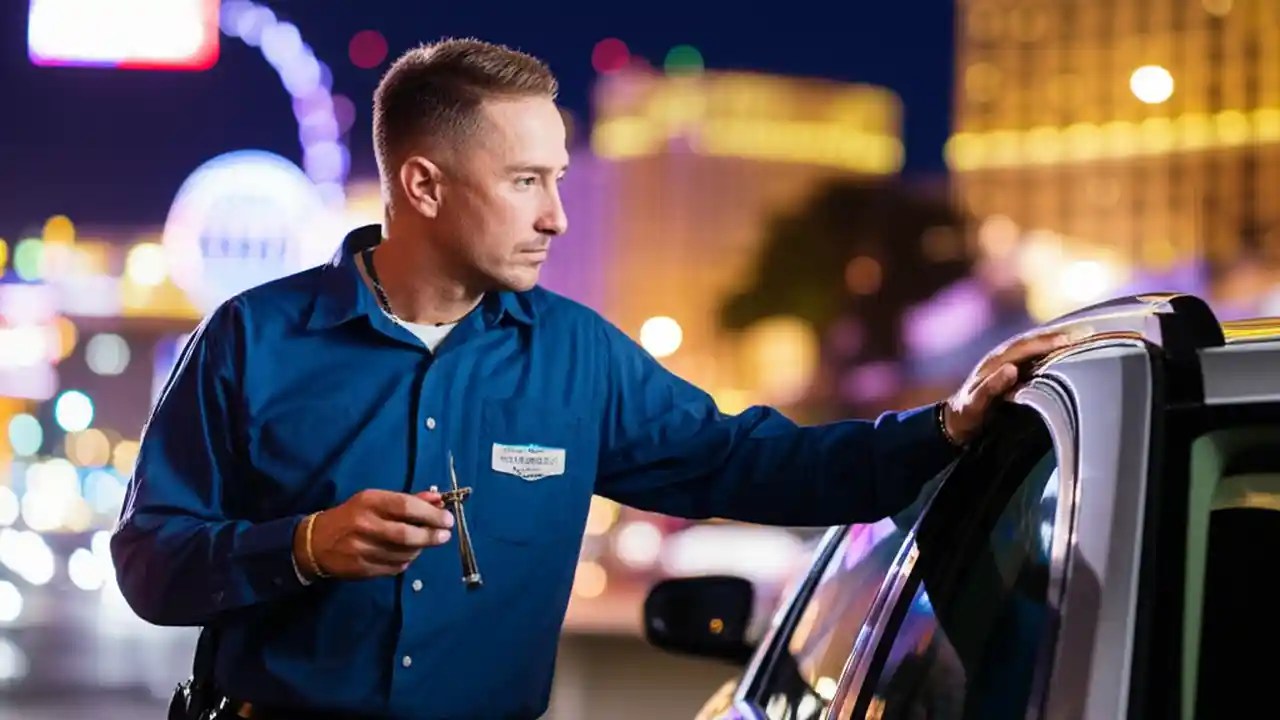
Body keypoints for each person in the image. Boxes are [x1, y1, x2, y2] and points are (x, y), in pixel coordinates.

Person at [111, 37, 1068, 720]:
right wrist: (306, 545)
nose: (557, 216)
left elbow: (752, 464)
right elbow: (149, 563)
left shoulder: (577, 355)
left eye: (558, 178)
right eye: (527, 180)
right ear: (422, 185)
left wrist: (944, 427)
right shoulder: (249, 339)